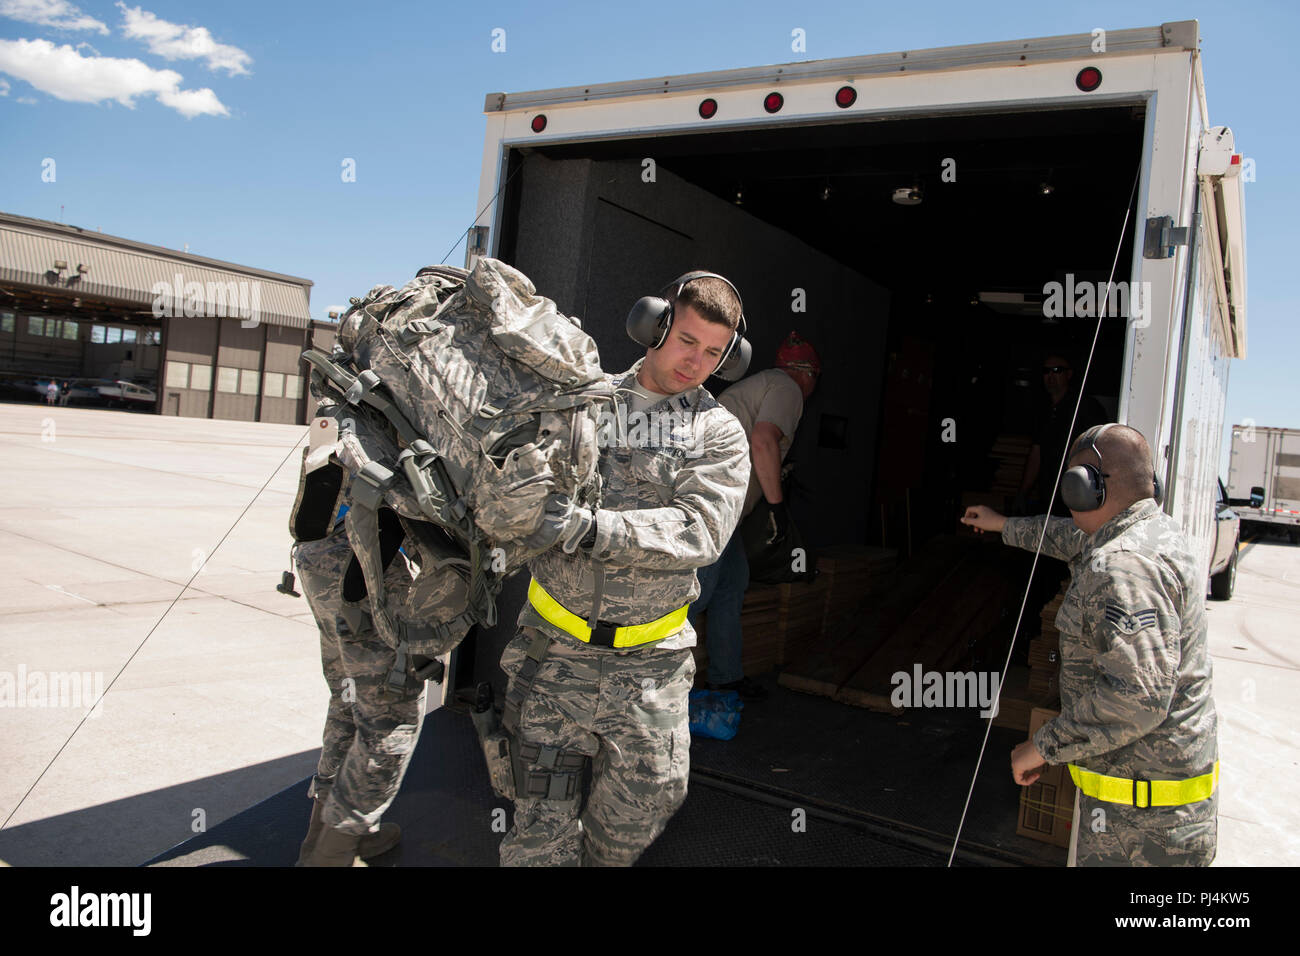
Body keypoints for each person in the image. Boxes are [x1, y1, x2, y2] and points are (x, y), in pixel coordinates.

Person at [495, 272, 750, 866]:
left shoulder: (717, 432)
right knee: (537, 830)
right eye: (687, 340)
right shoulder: (582, 403)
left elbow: (701, 530)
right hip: (553, 655)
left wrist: (589, 526)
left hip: (651, 669)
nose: (697, 362)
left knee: (641, 814)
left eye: (714, 352)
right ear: (654, 326)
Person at [961, 423, 1218, 866]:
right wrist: (1002, 524)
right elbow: (1067, 537)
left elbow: (1135, 699)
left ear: (1087, 488)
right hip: (1153, 810)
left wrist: (1043, 745)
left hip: (1140, 829)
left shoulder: (1125, 565)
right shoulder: (1148, 533)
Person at [687, 332, 820, 698]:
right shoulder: (787, 388)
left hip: (722, 507)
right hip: (715, 504)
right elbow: (763, 441)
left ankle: (725, 677)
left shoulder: (764, 385)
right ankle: (649, 679)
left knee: (731, 585)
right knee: (695, 592)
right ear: (807, 373)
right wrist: (777, 509)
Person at [294, 521, 429, 866]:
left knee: (348, 701)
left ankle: (336, 837)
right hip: (365, 570)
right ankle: (330, 855)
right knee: (390, 719)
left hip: (321, 558)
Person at [1018, 352, 1108, 516]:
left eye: (1057, 370)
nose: (1051, 375)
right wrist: (1023, 492)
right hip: (1048, 494)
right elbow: (1036, 453)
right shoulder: (1043, 410)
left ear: (1069, 374)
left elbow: (1102, 449)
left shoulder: (1085, 407)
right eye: (1046, 371)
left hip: (1077, 494)